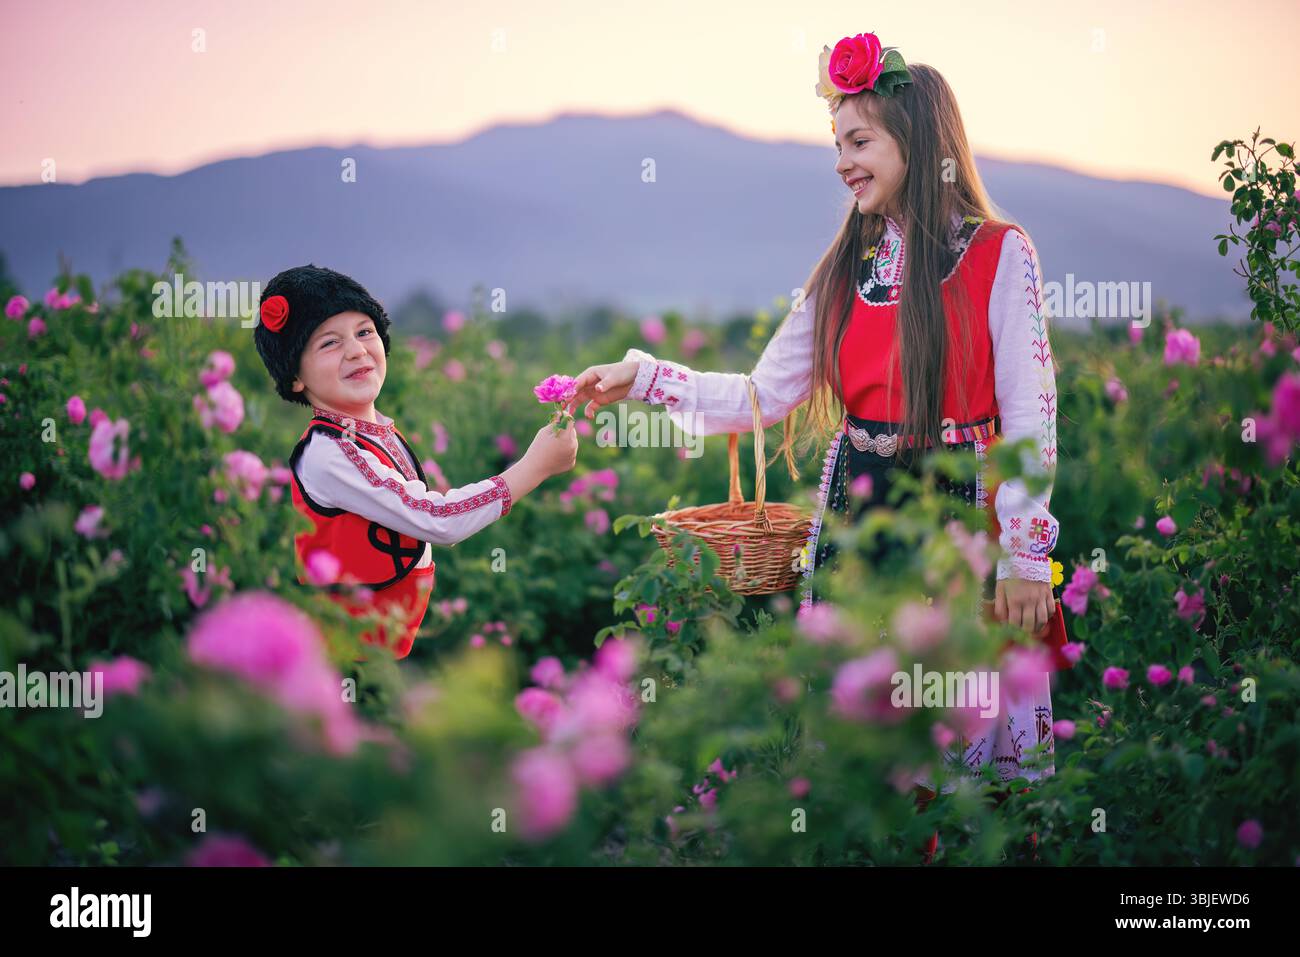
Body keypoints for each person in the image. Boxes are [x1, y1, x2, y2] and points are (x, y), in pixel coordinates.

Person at [566, 33, 1064, 797]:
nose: (842, 161)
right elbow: (759, 396)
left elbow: (1032, 411)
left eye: (859, 140)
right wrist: (643, 377)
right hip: (859, 516)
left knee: (959, 753)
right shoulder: (842, 270)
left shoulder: (1001, 254)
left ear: (918, 141)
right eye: (837, 144)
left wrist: (1027, 556)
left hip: (962, 518)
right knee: (864, 751)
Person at [253, 264, 577, 659]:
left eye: (364, 331)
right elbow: (438, 520)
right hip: (345, 660)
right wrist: (535, 467)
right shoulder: (330, 453)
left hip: (377, 651)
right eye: (329, 343)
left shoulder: (373, 434)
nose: (356, 350)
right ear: (295, 378)